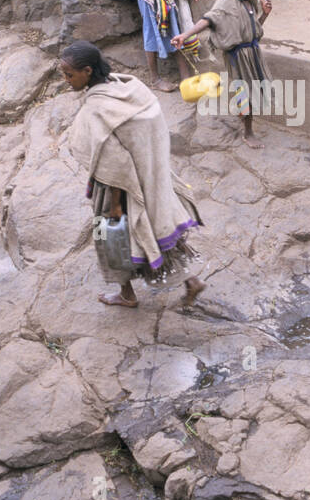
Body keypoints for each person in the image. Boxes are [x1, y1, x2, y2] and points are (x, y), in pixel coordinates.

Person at [61, 40, 206, 308]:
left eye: (70, 74)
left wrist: (115, 204)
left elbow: (113, 163)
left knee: (109, 237)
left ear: (88, 71)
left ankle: (126, 294)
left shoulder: (97, 108)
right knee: (158, 227)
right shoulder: (128, 87)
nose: (66, 80)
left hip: (118, 187)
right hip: (150, 177)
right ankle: (191, 280)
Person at [171, 0, 274, 147]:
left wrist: (264, 14)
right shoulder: (226, 7)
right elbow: (208, 20)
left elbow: (253, 31)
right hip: (237, 58)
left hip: (253, 55)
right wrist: (185, 35)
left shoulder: (250, 5)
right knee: (244, 94)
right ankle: (248, 132)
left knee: (254, 92)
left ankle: (247, 124)